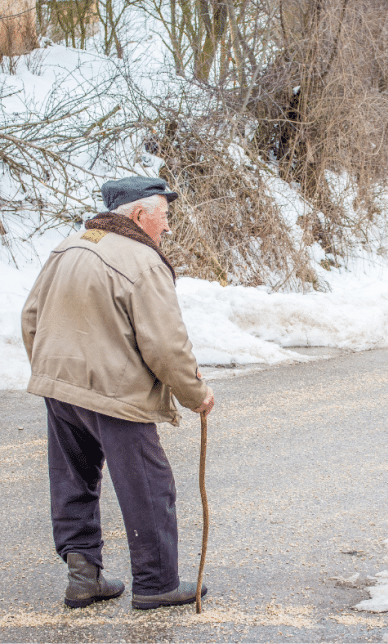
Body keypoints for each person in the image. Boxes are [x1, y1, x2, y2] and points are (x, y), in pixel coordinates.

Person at [21, 176, 215, 610]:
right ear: (139, 214)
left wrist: (52, 372)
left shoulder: (68, 246)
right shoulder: (142, 261)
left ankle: (83, 578)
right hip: (116, 393)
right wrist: (195, 393)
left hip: (60, 386)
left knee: (74, 481)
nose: (168, 227)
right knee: (148, 486)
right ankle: (156, 584)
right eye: (164, 216)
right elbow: (166, 345)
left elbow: (31, 316)